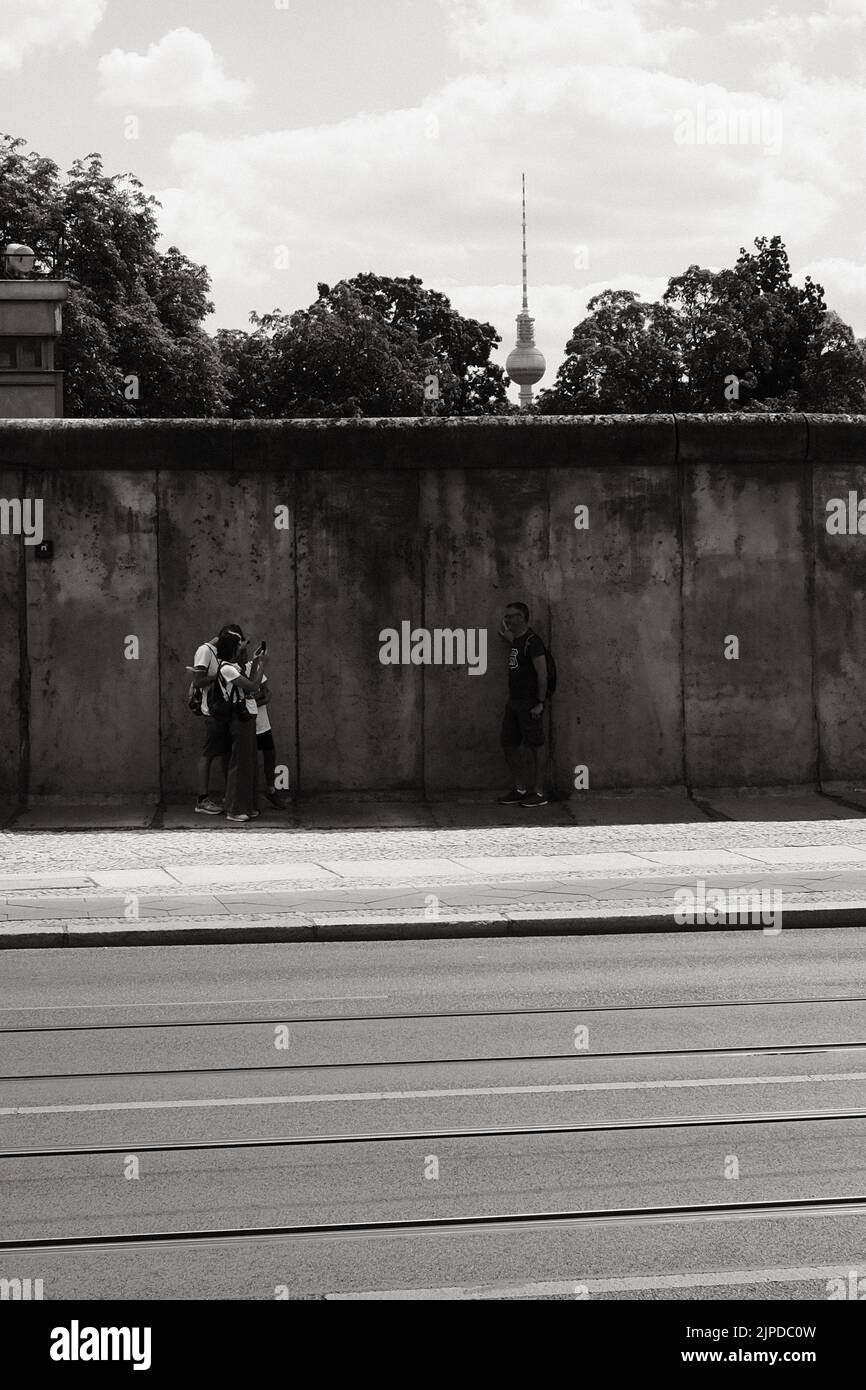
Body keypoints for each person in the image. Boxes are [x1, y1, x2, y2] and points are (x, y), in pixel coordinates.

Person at [496, 601, 549, 808]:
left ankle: (539, 792)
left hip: (529, 703)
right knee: (508, 744)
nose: (507, 619)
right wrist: (510, 638)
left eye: (511, 616)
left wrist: (540, 703)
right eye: (506, 616)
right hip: (514, 702)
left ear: (522, 617)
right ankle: (520, 789)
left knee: (536, 746)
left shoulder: (532, 642)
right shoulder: (517, 640)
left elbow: (542, 673)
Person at [190, 623, 245, 814]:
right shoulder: (205, 650)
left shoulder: (221, 652)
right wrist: (222, 674)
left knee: (225, 754)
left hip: (223, 711)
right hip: (212, 711)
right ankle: (202, 800)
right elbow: (198, 681)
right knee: (208, 754)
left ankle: (228, 794)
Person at [215, 632, 268, 823]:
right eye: (240, 646)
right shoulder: (227, 669)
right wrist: (261, 663)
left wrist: (254, 662)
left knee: (249, 762)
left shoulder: (235, 667)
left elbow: (249, 684)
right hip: (240, 718)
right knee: (240, 763)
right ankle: (235, 809)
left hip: (247, 717)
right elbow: (253, 686)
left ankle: (248, 805)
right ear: (232, 649)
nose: (242, 649)